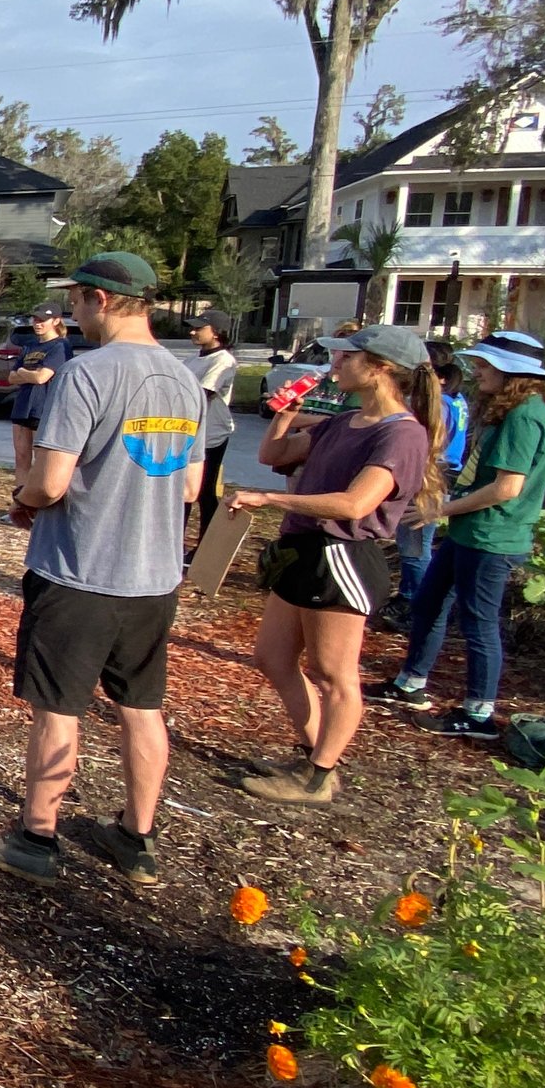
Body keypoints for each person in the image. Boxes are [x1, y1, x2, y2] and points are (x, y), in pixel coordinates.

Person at [0, 255, 203, 888]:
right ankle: (135, 838)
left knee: (57, 707)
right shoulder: (184, 378)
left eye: (77, 303)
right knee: (141, 707)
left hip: (81, 571)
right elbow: (191, 486)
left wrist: (24, 500)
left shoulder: (86, 373)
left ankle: (37, 836)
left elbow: (52, 481)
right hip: (154, 576)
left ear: (99, 299)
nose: (72, 315)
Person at [229, 325, 440, 809]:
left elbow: (355, 504)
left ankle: (320, 774)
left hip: (343, 555)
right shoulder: (345, 422)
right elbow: (273, 455)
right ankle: (311, 755)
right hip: (303, 552)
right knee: (273, 657)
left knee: (333, 671)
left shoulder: (402, 434)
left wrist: (271, 498)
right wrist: (284, 415)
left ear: (381, 368)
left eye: (347, 357)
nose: (335, 364)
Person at [378, 332, 545, 740]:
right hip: (470, 531)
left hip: (492, 539)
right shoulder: (509, 410)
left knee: (479, 623)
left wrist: (439, 509)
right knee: (428, 603)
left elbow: (506, 488)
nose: (475, 372)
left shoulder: (525, 416)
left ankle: (479, 714)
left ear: (509, 372)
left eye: (484, 366)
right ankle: (410, 684)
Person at [380, 344, 468, 631]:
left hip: (433, 474)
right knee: (415, 542)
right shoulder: (458, 399)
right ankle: (412, 596)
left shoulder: (438, 403)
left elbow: (430, 441)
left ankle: (415, 602)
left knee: (415, 544)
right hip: (445, 471)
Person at [4, 303, 73, 491]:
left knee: (41, 459)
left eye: (43, 320)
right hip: (23, 405)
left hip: (43, 408)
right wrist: (29, 374)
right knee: (21, 457)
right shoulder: (29, 346)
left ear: (56, 321)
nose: (38, 323)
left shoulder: (60, 345)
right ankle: (19, 502)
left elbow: (42, 377)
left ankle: (37, 505)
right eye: (35, 319)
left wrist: (24, 373)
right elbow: (11, 377)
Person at [188, 311, 239, 546]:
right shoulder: (192, 360)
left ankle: (207, 546)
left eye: (200, 328)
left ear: (216, 332)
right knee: (185, 491)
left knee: (204, 491)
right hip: (189, 433)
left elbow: (203, 394)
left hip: (212, 435)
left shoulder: (223, 360)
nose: (193, 332)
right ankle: (176, 545)